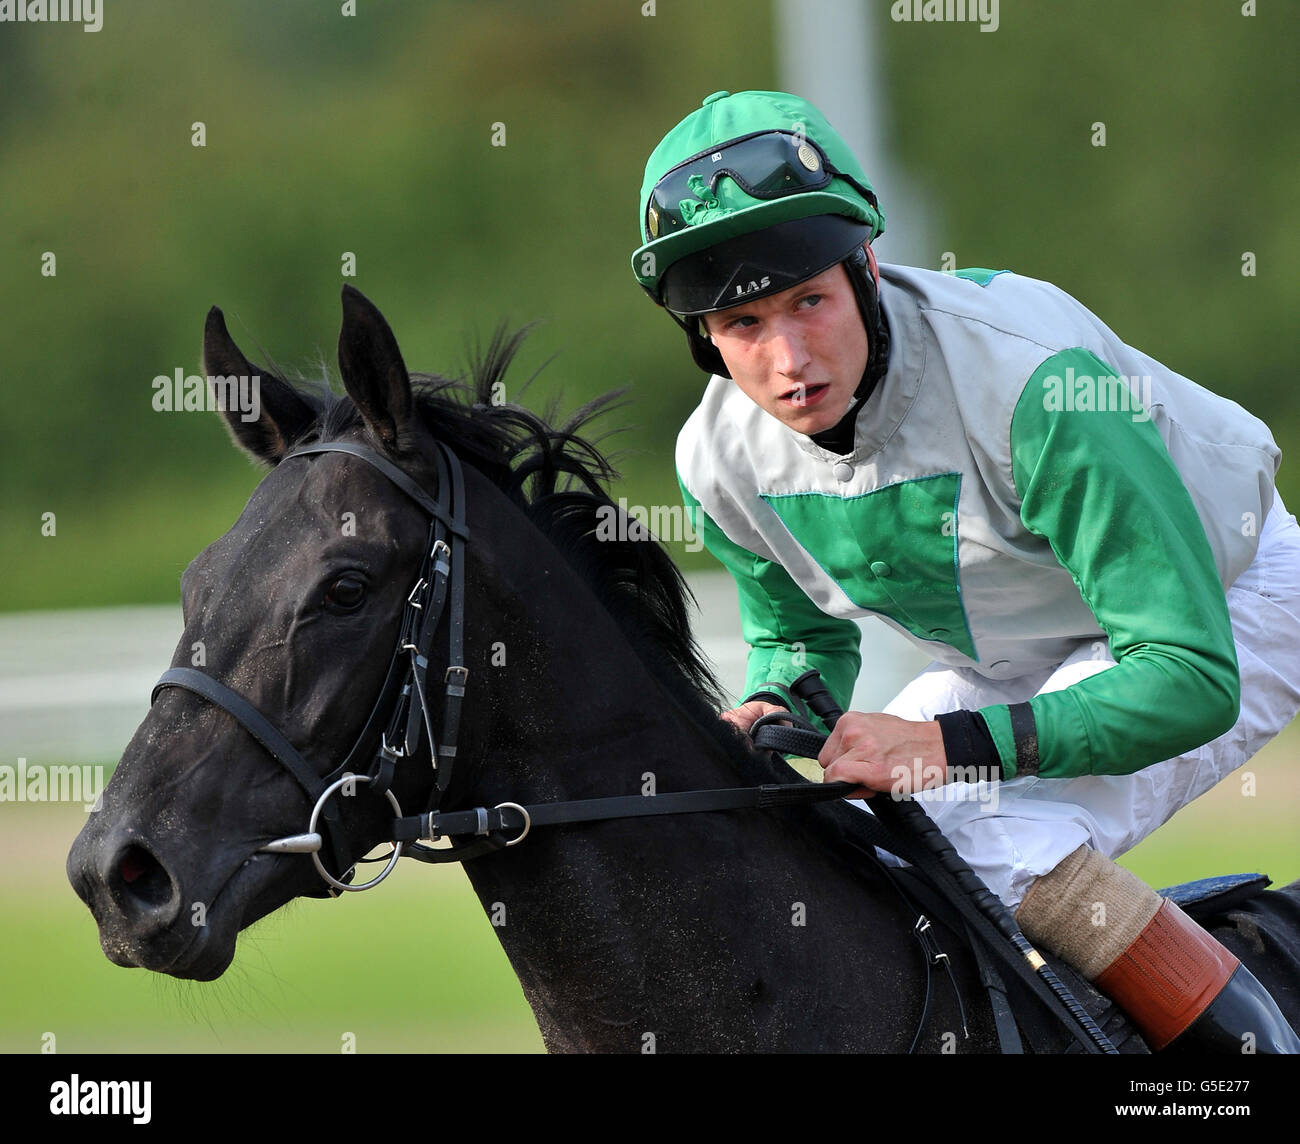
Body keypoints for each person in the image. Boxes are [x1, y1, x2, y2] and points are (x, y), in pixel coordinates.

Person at [631, 89, 1300, 1053]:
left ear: (866, 268)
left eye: (809, 301)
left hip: (1222, 607)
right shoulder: (717, 457)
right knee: (859, 836)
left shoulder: (1037, 383)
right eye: (742, 323)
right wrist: (772, 704)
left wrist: (944, 745)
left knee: (989, 838)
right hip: (1023, 654)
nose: (788, 360)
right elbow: (795, 637)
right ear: (703, 337)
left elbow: (1188, 678)